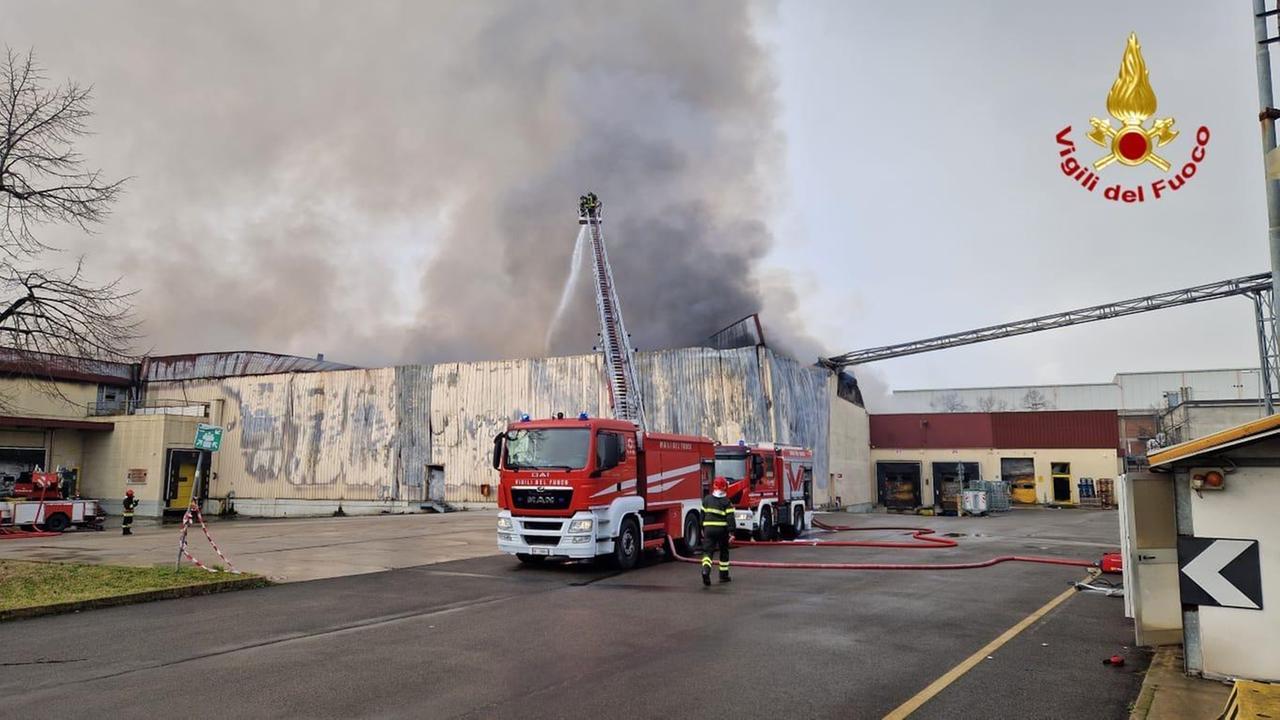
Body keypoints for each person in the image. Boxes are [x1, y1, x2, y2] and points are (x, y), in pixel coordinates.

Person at [700, 476, 736, 585]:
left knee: (707, 552)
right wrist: (732, 533)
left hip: (708, 530)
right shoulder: (726, 502)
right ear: (725, 487)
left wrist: (702, 528)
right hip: (722, 531)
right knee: (724, 552)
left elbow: (702, 515)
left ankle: (706, 570)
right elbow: (730, 518)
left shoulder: (706, 499)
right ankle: (723, 576)